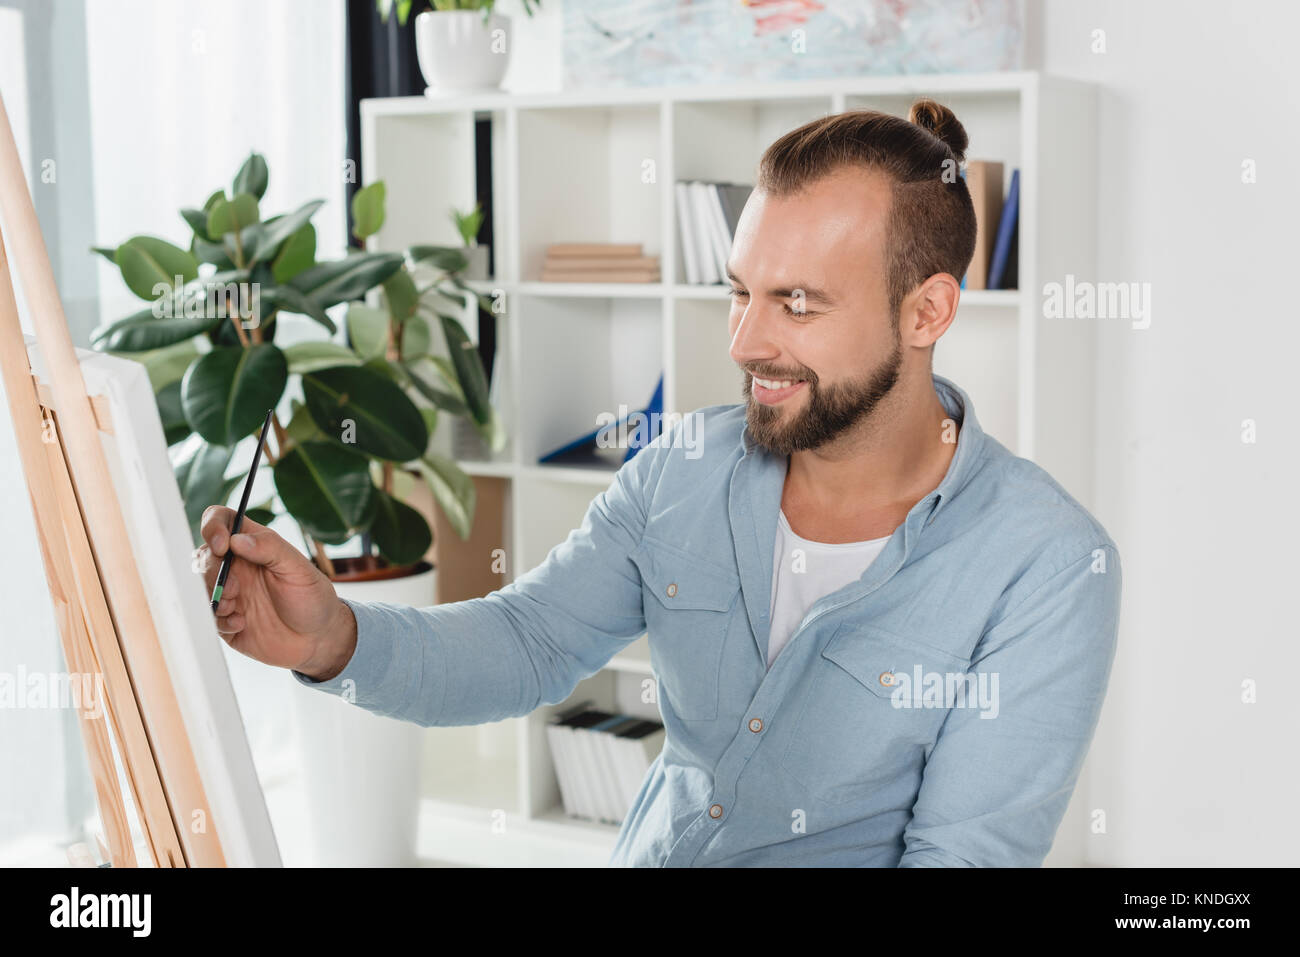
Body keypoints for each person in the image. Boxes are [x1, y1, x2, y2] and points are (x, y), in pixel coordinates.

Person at [199, 99, 1121, 867]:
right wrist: (335, 637)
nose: (746, 341)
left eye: (796, 302)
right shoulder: (684, 467)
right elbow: (525, 643)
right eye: (739, 290)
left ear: (928, 310)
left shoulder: (1043, 564)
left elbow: (960, 860)